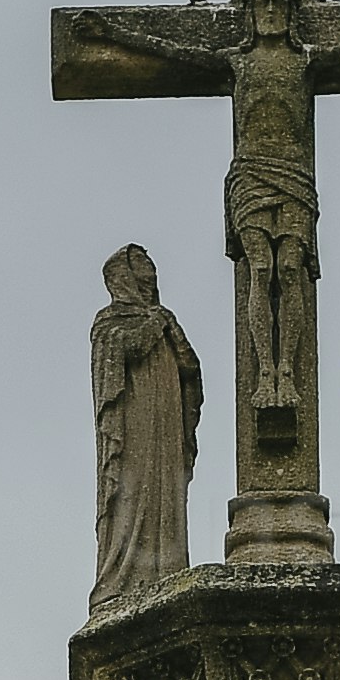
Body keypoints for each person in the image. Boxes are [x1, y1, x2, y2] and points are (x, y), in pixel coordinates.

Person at [89, 241, 205, 592]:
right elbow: (128, 349)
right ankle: (125, 576)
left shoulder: (165, 317)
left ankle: (167, 567)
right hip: (135, 421)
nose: (150, 268)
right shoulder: (109, 322)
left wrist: (171, 331)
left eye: (149, 261)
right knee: (134, 489)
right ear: (123, 275)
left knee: (167, 489)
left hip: (167, 419)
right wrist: (157, 325)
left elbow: (190, 367)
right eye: (141, 261)